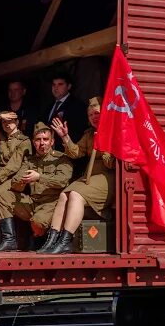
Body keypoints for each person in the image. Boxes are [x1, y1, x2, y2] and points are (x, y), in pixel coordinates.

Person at [41, 97, 115, 254]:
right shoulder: (89, 134)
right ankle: (53, 240)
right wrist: (64, 137)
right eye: (90, 115)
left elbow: (111, 164)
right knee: (64, 195)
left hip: (107, 178)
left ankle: (66, 241)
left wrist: (103, 143)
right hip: (91, 177)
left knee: (75, 194)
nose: (94, 117)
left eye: (97, 113)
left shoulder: (112, 133)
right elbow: (76, 152)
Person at [0, 122, 73, 252]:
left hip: (51, 204)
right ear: (33, 142)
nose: (42, 143)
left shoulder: (61, 158)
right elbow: (16, 184)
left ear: (52, 142)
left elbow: (62, 181)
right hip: (33, 202)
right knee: (5, 197)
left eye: (45, 139)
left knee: (38, 222)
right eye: (38, 140)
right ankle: (9, 240)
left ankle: (40, 239)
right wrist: (21, 182)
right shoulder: (30, 160)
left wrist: (39, 177)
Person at [0, 111, 32, 250]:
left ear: (17, 122)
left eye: (10, 121)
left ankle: (1, 237)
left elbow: (14, 165)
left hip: (15, 179)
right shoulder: (3, 138)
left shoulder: (24, 141)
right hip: (2, 179)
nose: (7, 124)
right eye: (4, 122)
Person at [41, 72, 88, 149]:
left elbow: (79, 133)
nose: (56, 88)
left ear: (68, 86)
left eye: (60, 84)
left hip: (67, 153)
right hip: (48, 153)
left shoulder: (77, 105)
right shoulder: (48, 107)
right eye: (54, 84)